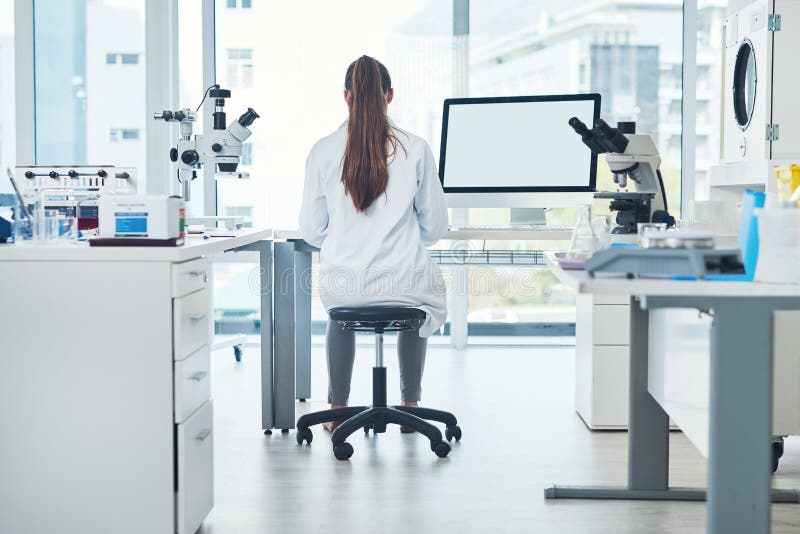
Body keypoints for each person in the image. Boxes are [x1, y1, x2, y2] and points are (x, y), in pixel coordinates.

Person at [299, 55, 448, 432]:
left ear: (347, 97)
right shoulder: (415, 148)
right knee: (418, 301)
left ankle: (336, 411)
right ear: (390, 96)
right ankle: (410, 408)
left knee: (340, 313)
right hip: (403, 284)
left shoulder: (322, 150)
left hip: (345, 285)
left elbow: (312, 231)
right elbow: (434, 228)